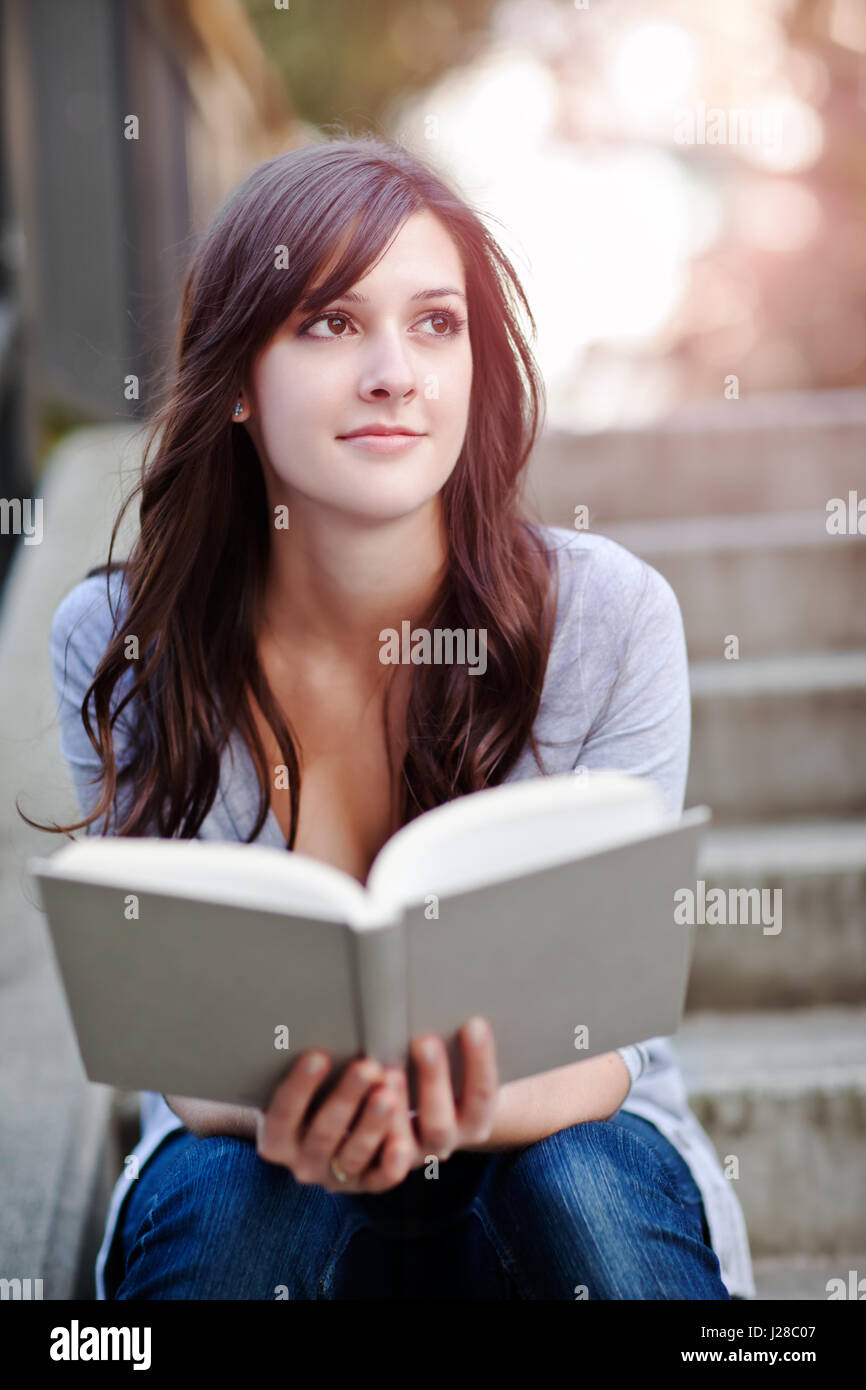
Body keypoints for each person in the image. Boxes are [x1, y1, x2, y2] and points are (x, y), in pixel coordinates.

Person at [39, 132, 755, 1300]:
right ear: (232, 378)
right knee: (224, 1209)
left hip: (546, 1136)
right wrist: (299, 1116)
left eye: (434, 323)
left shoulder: (608, 618)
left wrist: (441, 1115)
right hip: (257, 1152)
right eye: (328, 323)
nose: (393, 372)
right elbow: (174, 1060)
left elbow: (611, 1047)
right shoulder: (120, 643)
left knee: (583, 1190)